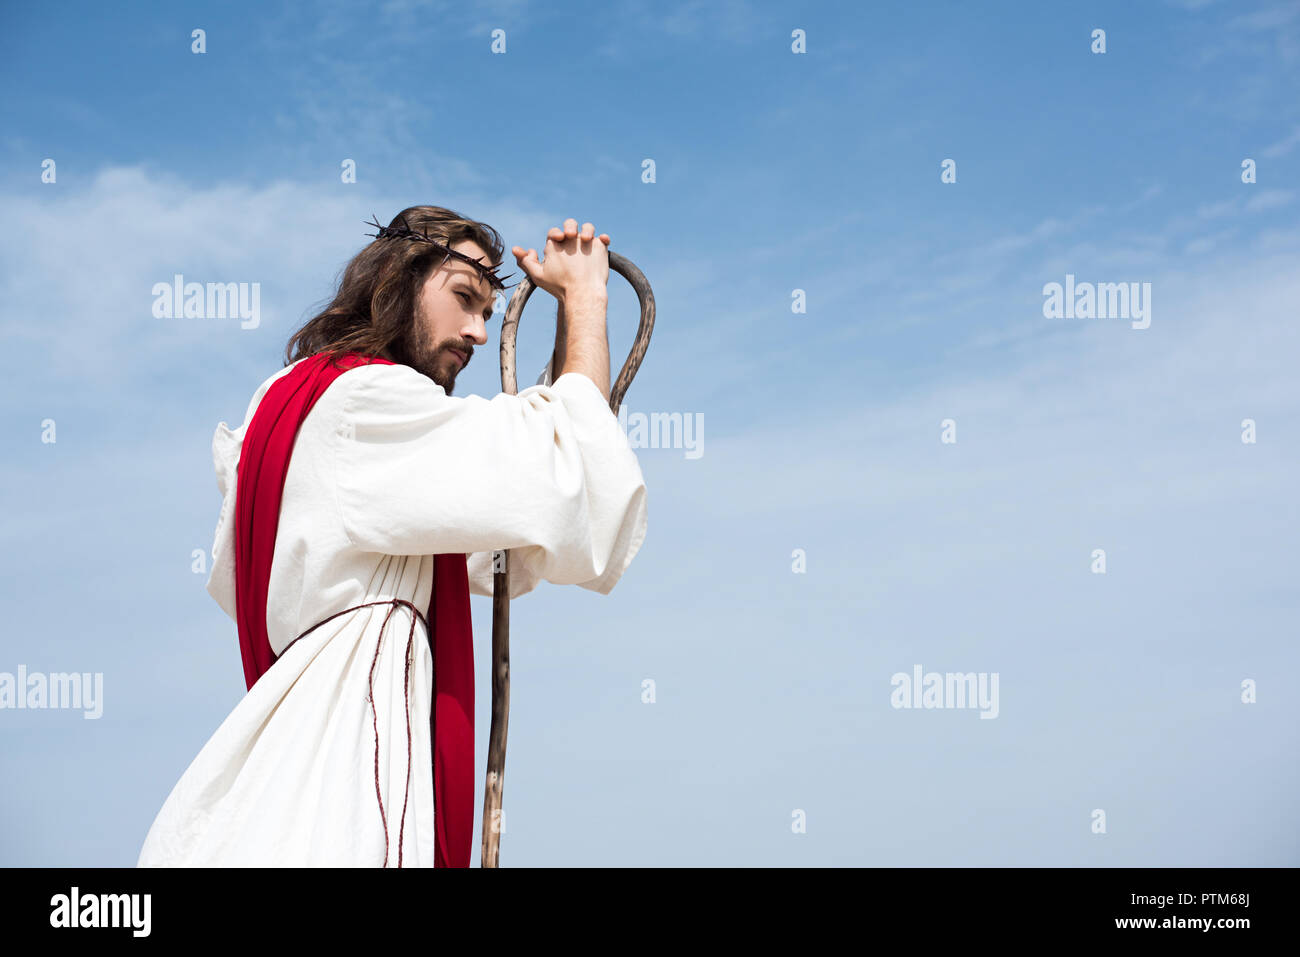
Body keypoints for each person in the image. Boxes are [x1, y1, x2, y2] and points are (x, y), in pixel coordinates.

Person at [136, 208, 647, 867]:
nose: (479, 331)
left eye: (488, 311)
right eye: (464, 296)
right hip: (340, 796)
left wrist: (566, 340)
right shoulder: (366, 404)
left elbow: (518, 536)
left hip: (276, 793)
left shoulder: (296, 406)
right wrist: (586, 299)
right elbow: (564, 477)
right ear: (399, 279)